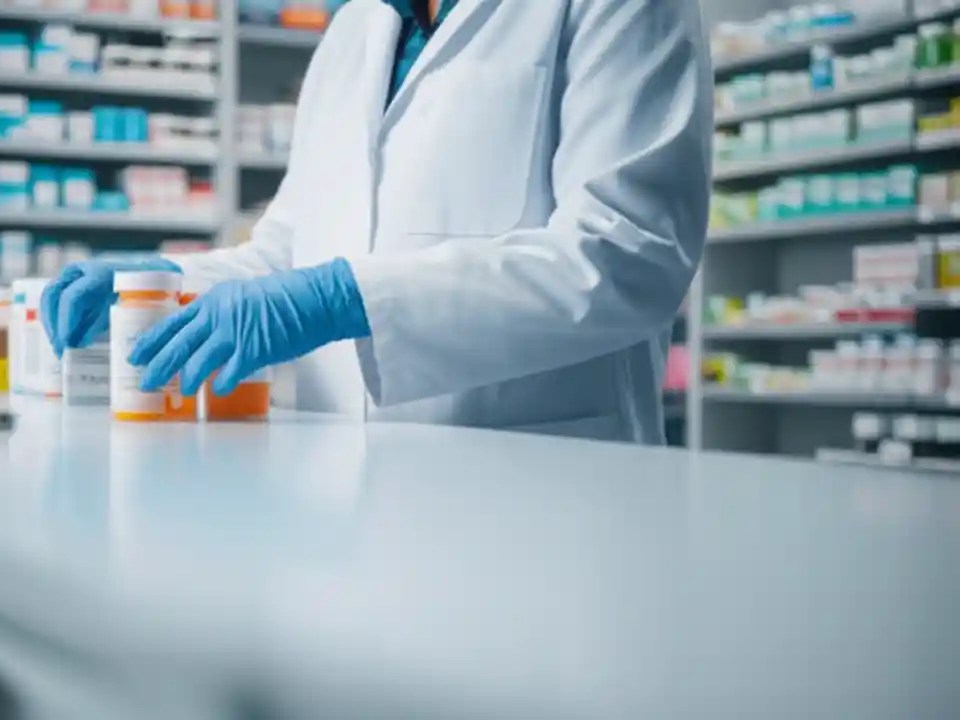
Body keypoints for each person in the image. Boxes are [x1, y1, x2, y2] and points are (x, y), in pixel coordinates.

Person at [43, 0, 712, 443]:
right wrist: (167, 281)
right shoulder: (356, 27)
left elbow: (627, 255)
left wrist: (342, 300)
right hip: (340, 485)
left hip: (538, 478)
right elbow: (289, 251)